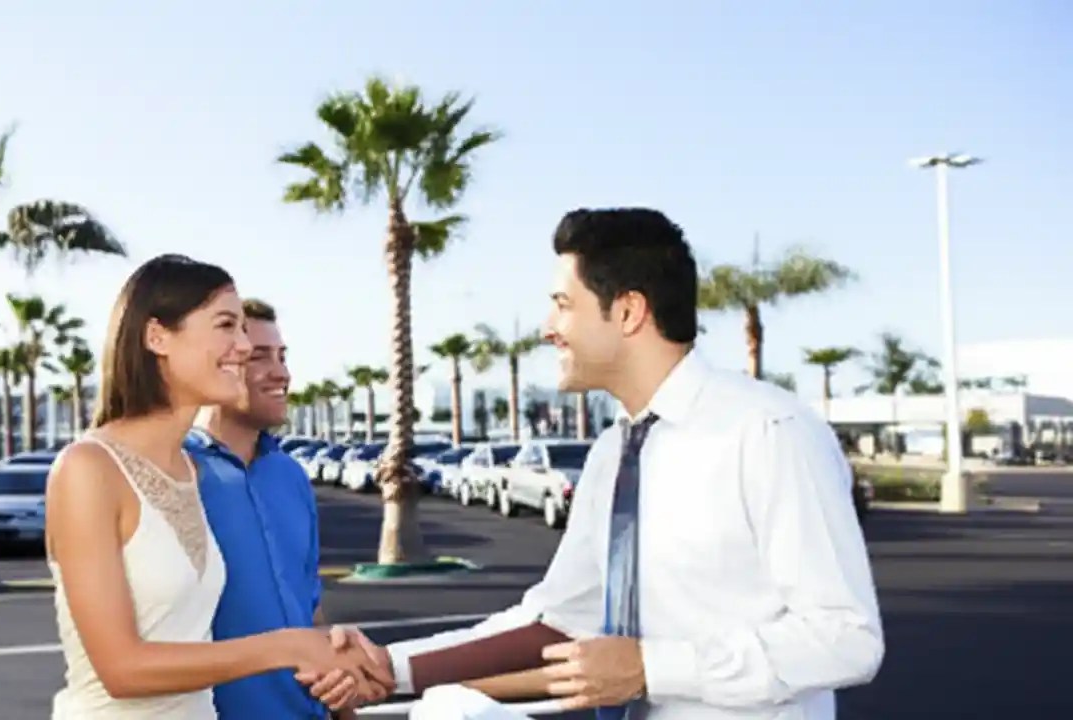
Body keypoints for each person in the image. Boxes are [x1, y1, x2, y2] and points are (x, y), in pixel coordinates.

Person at [312, 209, 884, 719]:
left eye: (564, 304)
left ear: (629, 311)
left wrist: (653, 668)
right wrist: (392, 666)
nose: (547, 328)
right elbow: (561, 619)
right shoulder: (615, 451)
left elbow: (846, 637)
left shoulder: (768, 431)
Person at [45, 254, 382, 719]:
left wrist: (328, 658)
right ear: (156, 336)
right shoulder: (87, 468)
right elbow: (120, 670)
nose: (243, 347)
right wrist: (289, 647)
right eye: (227, 325)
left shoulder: (191, 470)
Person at [186, 297, 385, 718]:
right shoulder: (173, 473)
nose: (282, 373)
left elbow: (308, 609)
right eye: (259, 357)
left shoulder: (291, 476)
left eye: (282, 356)